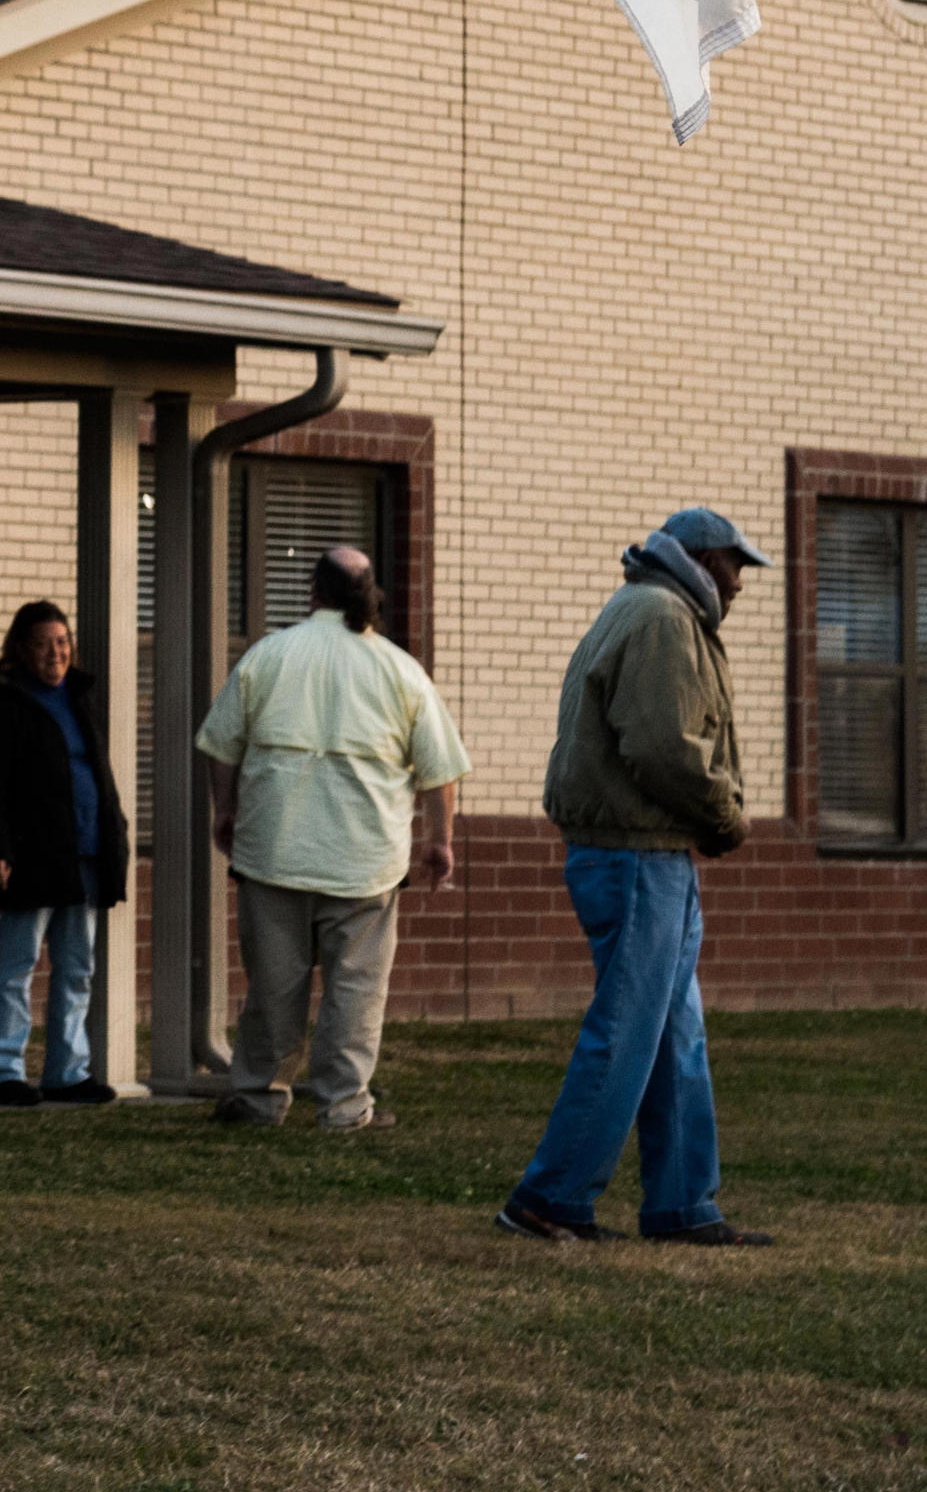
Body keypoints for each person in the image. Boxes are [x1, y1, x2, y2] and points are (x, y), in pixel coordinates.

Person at [497, 508, 773, 1246]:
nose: (741, 584)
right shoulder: (661, 617)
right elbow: (664, 748)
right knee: (626, 1032)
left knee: (675, 1035)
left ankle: (683, 1206)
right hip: (637, 857)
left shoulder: (651, 608)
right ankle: (549, 1199)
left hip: (645, 852)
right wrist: (726, 817)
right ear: (703, 559)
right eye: (736, 565)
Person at [196, 545, 466, 1131]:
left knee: (273, 986)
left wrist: (228, 810)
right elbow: (440, 769)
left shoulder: (269, 656)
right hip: (366, 862)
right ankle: (344, 1106)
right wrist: (439, 840)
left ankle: (260, 1097)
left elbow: (221, 744)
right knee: (357, 990)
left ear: (313, 591)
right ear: (372, 596)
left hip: (274, 852)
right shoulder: (401, 671)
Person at [0, 599, 128, 1107]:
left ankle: (67, 1073)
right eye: (42, 644)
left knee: (78, 968)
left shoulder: (80, 698)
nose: (55, 653)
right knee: (16, 965)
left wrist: (115, 834)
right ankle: (3, 1074)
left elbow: (98, 772)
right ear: (20, 649)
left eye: (62, 642)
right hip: (29, 858)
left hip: (86, 855)